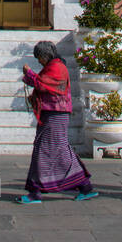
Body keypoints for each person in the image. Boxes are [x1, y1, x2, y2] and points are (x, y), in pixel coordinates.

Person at [20, 41, 99, 203]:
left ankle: (36, 191)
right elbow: (44, 85)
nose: (39, 61)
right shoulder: (53, 67)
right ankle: (83, 186)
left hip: (55, 115)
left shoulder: (57, 68)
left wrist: (29, 74)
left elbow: (43, 84)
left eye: (39, 57)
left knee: (47, 150)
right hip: (52, 114)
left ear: (45, 55)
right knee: (55, 149)